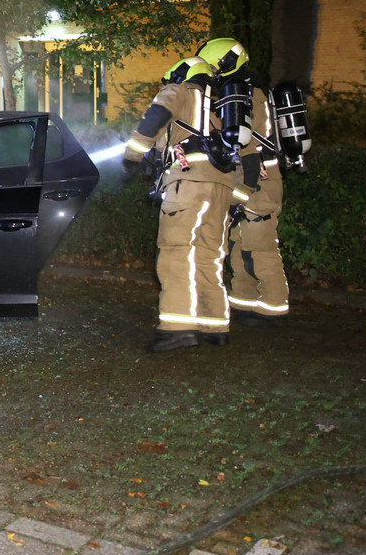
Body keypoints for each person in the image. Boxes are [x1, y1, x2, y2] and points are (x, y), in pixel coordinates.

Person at [123, 56, 251, 352]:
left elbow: (154, 119)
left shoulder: (180, 92)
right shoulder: (220, 112)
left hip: (188, 186)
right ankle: (214, 326)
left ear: (182, 73)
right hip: (221, 190)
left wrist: (131, 157)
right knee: (209, 256)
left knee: (177, 252)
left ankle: (178, 328)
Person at [197, 38, 289, 326]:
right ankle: (244, 301)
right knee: (238, 244)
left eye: (212, 67)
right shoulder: (237, 92)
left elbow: (254, 140)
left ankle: (274, 307)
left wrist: (247, 178)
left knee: (260, 248)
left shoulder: (251, 93)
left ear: (225, 64)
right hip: (244, 177)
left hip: (260, 179)